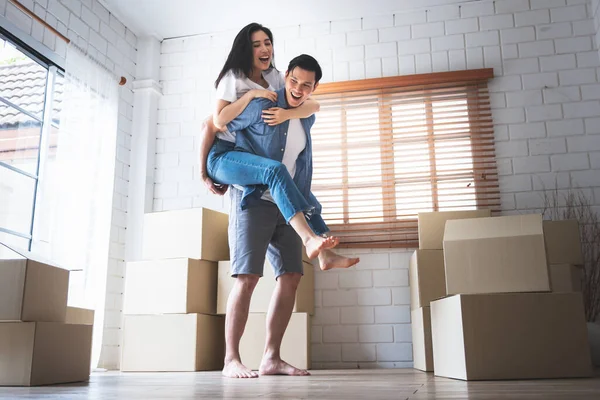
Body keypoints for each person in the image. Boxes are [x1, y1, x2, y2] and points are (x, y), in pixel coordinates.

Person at [216, 54, 360, 379]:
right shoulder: (262, 103)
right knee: (247, 278)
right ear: (286, 78)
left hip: (287, 207)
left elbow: (313, 111)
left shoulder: (305, 115)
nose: (297, 88)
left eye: (306, 85)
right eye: (293, 80)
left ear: (314, 87)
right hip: (253, 201)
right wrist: (208, 167)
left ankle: (271, 358)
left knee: (291, 278)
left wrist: (294, 110)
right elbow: (219, 121)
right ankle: (231, 359)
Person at [198, 23, 356, 269]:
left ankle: (324, 252)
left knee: (302, 191)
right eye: (257, 44)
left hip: (245, 153)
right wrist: (203, 174)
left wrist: (286, 115)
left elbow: (310, 102)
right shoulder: (234, 78)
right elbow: (213, 123)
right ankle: (308, 238)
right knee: (275, 171)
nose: (264, 49)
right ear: (246, 49)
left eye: (268, 42)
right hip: (223, 154)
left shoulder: (273, 77)